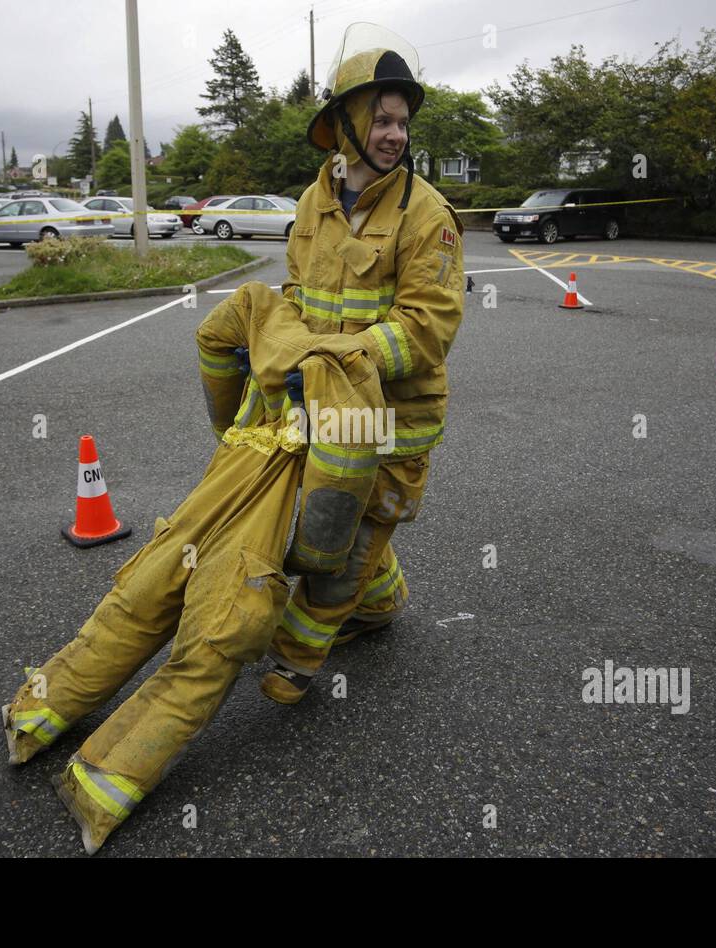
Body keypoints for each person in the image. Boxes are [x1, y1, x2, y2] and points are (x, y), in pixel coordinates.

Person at [3, 284, 389, 854]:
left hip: (236, 464)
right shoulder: (346, 379)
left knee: (142, 598)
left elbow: (215, 341)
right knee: (219, 629)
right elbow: (343, 481)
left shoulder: (258, 307)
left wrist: (239, 423)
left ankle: (35, 713)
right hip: (280, 474)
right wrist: (308, 558)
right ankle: (102, 784)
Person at [258, 23, 466, 704]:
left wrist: (340, 357)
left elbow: (427, 328)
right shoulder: (313, 204)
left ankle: (297, 658)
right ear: (346, 121)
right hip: (327, 414)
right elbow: (296, 296)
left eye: (402, 122)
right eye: (380, 119)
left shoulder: (427, 213)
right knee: (331, 523)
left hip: (396, 423)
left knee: (343, 545)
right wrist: (280, 349)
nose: (395, 134)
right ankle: (380, 602)